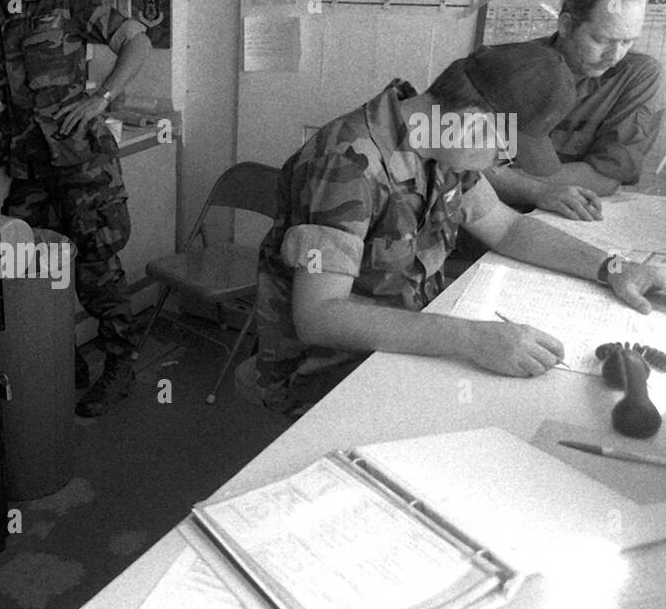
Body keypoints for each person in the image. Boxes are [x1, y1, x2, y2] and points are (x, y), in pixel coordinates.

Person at [254, 43, 666, 419]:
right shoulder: (345, 165)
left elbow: (507, 229)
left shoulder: (439, 143)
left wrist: (613, 268)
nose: (500, 163)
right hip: (329, 370)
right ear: (472, 121)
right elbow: (319, 317)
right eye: (503, 152)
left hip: (412, 339)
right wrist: (472, 338)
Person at [0, 0, 152, 418]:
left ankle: (120, 364)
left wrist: (103, 97)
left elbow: (138, 42)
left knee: (96, 267)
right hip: (27, 162)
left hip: (80, 162)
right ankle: (60, 355)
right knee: (31, 266)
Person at [484, 0, 664, 213]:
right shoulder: (502, 64)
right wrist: (536, 191)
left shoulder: (638, 73)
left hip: (575, 213)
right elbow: (467, 167)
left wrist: (509, 179)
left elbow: (606, 177)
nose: (615, 56)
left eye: (627, 42)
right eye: (602, 40)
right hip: (488, 211)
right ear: (566, 25)